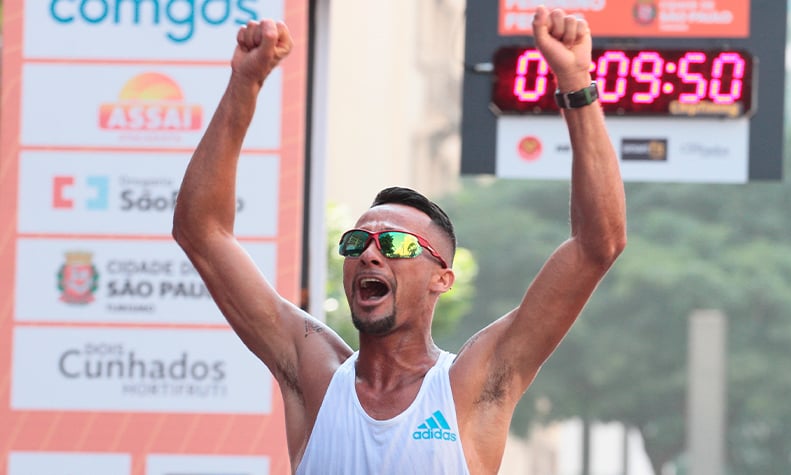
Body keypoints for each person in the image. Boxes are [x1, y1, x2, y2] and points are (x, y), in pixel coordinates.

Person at [172, 6, 626, 474]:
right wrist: (244, 85)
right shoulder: (316, 373)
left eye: (396, 245)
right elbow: (201, 232)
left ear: (441, 278)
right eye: (356, 243)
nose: (370, 253)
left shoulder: (471, 384)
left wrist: (576, 82)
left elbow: (597, 244)